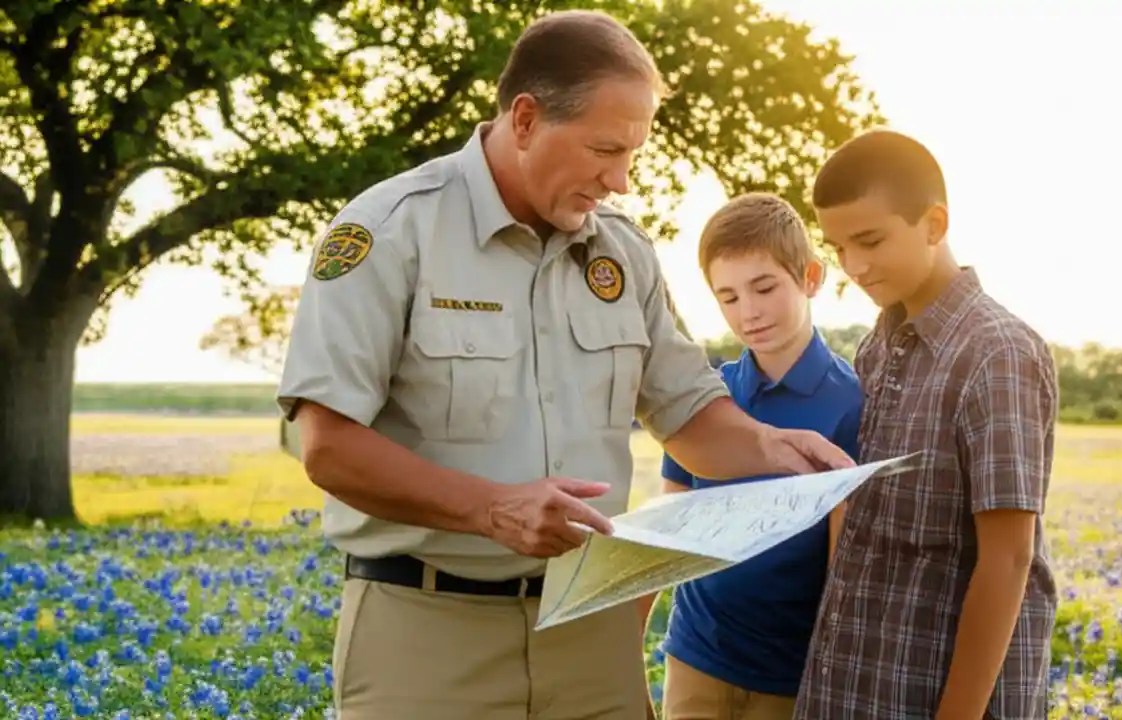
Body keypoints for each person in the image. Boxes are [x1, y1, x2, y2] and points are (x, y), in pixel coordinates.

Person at [274, 10, 854, 720]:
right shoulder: (390, 231)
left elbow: (687, 414)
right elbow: (328, 448)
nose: (622, 181)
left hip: (591, 634)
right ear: (525, 119)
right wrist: (493, 510)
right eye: (605, 150)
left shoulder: (624, 254)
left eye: (632, 154)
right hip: (426, 633)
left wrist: (770, 447)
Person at [793, 130, 1058, 720]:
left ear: (934, 224)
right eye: (838, 247)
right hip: (858, 679)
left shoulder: (998, 352)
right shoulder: (876, 347)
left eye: (870, 240)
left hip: (938, 691)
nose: (854, 266)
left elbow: (1009, 558)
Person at [643, 193, 864, 720]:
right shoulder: (707, 398)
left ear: (810, 277)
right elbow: (666, 532)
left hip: (788, 671)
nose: (750, 312)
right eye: (729, 297)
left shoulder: (851, 403)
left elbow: (841, 570)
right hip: (696, 653)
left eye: (764, 288)